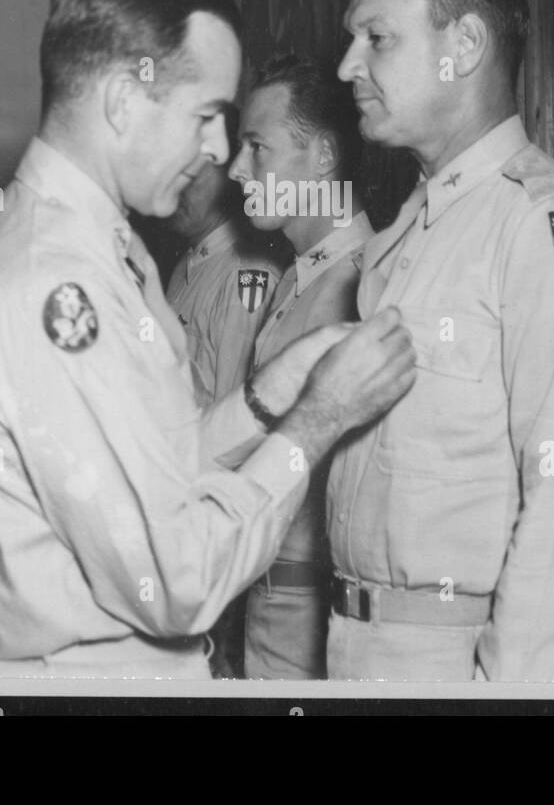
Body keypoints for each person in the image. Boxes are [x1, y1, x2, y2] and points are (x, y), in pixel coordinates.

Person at [0, 0, 416, 679]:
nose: (218, 152)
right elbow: (175, 584)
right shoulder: (54, 284)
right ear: (124, 101)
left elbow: (155, 476)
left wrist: (265, 399)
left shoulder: (94, 248)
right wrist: (315, 424)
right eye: (207, 115)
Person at [328, 0, 554, 682]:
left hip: (474, 660)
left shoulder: (550, 223)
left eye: (377, 38)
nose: (347, 66)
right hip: (367, 653)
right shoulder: (406, 233)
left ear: (463, 46)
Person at [228, 52, 371, 680]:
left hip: (310, 604)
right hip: (267, 593)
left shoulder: (364, 282)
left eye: (257, 148)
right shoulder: (296, 279)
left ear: (323, 156)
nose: (236, 170)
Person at [163, 154, 285, 677]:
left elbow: (243, 418)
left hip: (214, 518)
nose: (180, 184)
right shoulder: (188, 264)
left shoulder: (244, 271)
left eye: (199, 171)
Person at [165, 156, 285, 409]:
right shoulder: (189, 263)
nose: (178, 189)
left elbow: (232, 413)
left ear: (230, 181)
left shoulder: (244, 277)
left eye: (193, 177)